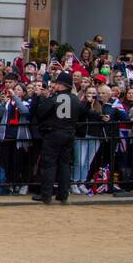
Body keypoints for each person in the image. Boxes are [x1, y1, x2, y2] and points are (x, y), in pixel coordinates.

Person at [30, 72, 87, 204]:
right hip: (69, 133)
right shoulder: (75, 99)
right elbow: (83, 114)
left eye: (56, 83)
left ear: (61, 85)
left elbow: (41, 113)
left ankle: (46, 195)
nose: (54, 85)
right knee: (64, 164)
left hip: (53, 134)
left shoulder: (54, 98)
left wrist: (44, 99)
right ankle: (63, 194)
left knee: (49, 164)